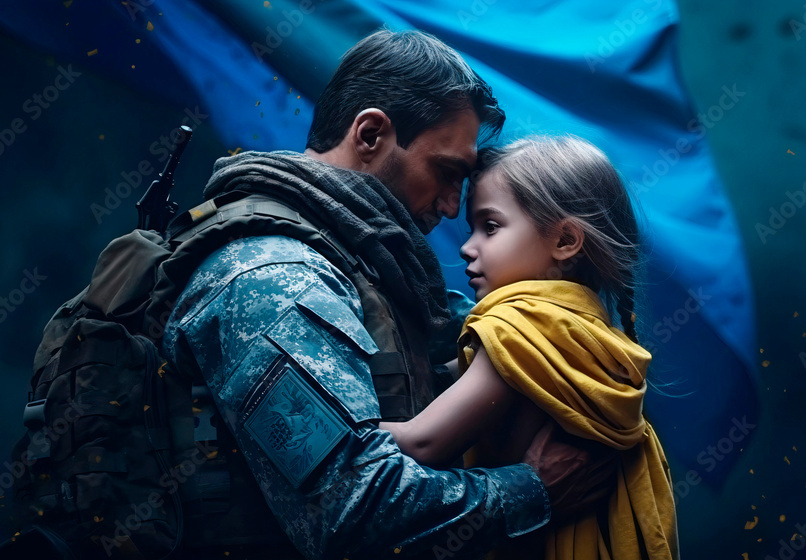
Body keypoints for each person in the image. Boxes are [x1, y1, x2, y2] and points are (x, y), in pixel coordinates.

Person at [162, 30, 609, 559]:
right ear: (371, 134)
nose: (449, 207)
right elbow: (353, 507)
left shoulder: (368, 274)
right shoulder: (272, 277)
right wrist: (535, 489)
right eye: (446, 173)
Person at [381, 135, 680, 559]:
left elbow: (422, 444)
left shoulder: (516, 329)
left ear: (564, 242)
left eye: (490, 226)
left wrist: (326, 431)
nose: (467, 247)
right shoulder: (583, 331)